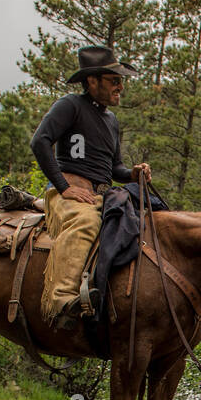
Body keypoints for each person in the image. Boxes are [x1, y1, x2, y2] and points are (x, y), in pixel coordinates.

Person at [30, 45, 152, 329]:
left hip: (101, 194)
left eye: (121, 80)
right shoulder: (70, 105)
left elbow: (115, 169)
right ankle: (61, 301)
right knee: (83, 223)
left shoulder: (111, 120)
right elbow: (40, 142)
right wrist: (63, 187)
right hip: (70, 193)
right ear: (92, 81)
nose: (121, 86)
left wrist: (133, 174)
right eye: (114, 80)